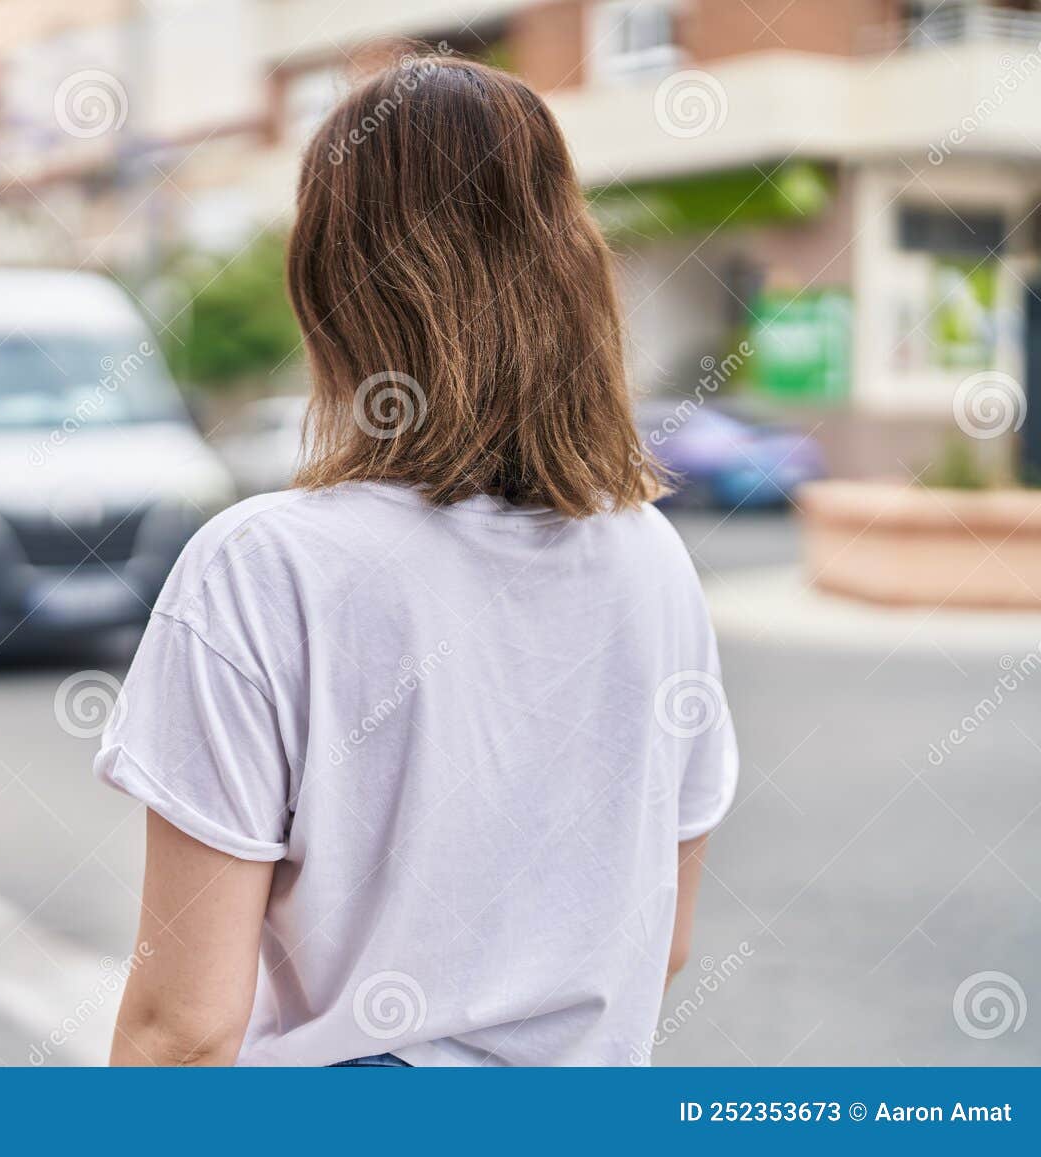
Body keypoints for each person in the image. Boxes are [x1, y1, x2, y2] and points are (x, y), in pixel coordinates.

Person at [94, 55, 737, 1067]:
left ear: (330, 287)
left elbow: (183, 1027)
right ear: (567, 269)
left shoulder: (264, 566)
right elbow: (663, 940)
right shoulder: (651, 557)